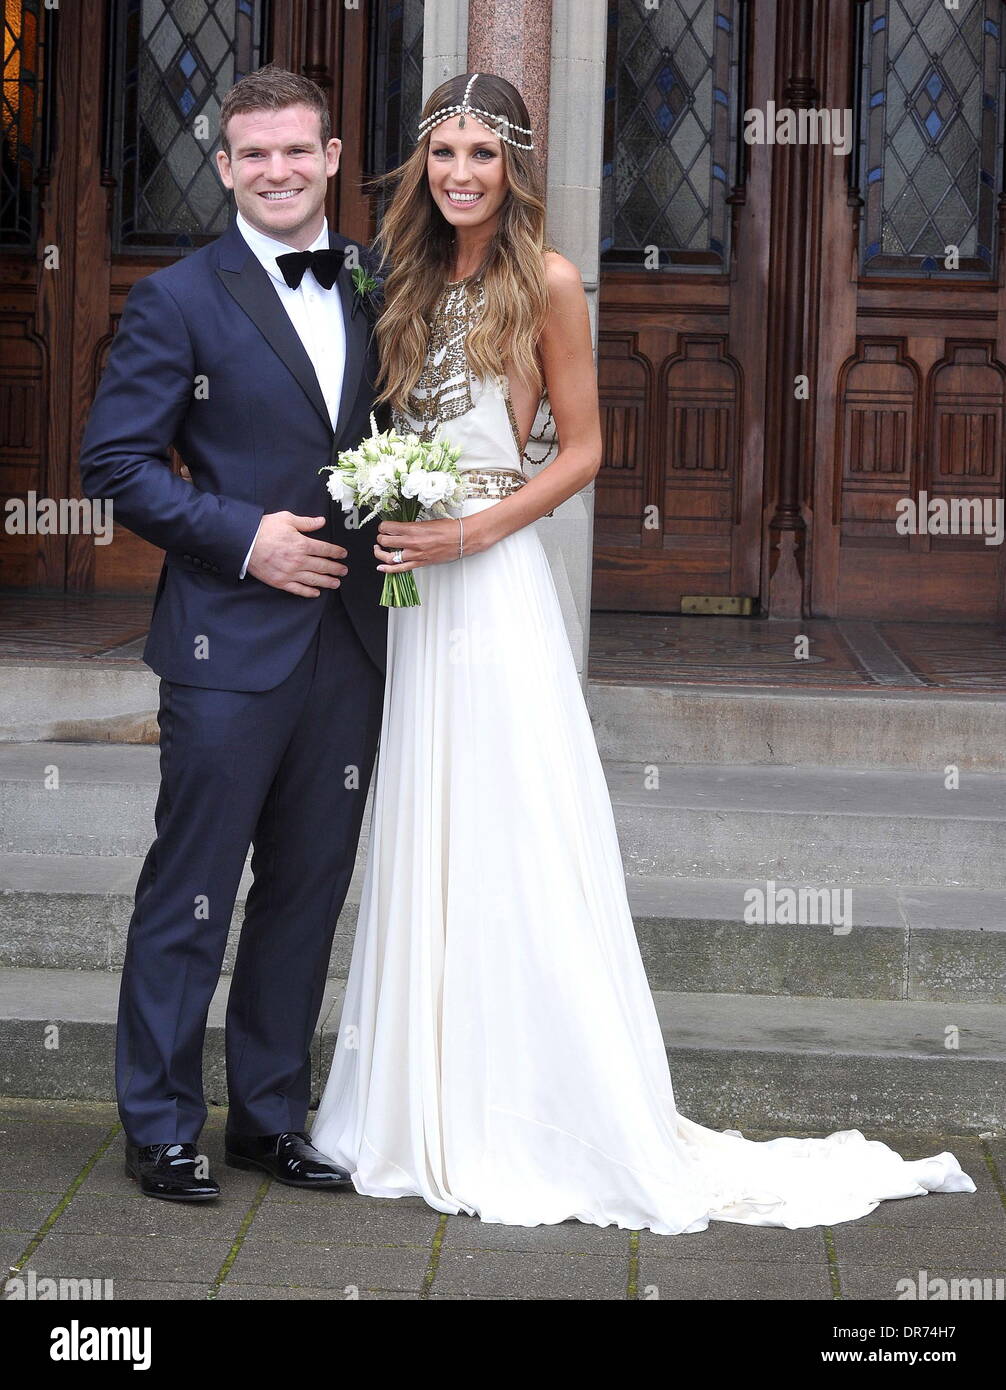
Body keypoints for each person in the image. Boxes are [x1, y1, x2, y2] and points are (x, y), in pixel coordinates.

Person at [310, 73, 977, 1233]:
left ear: (518, 163)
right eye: (445, 153)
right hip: (414, 592)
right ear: (420, 161)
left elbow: (583, 450)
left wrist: (469, 525)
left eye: (483, 153)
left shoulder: (547, 281)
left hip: (493, 576)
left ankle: (540, 1110)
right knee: (429, 820)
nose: (461, 174)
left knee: (512, 820)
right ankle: (422, 1098)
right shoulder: (406, 275)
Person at [80, 65, 385, 1201]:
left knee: (307, 888)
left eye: (295, 150)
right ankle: (160, 1121)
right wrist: (244, 536)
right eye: (253, 154)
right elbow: (113, 464)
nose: (276, 170)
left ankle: (268, 1115)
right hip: (224, 645)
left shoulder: (375, 280)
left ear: (332, 156)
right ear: (223, 167)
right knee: (192, 887)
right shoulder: (177, 298)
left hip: (351, 644)